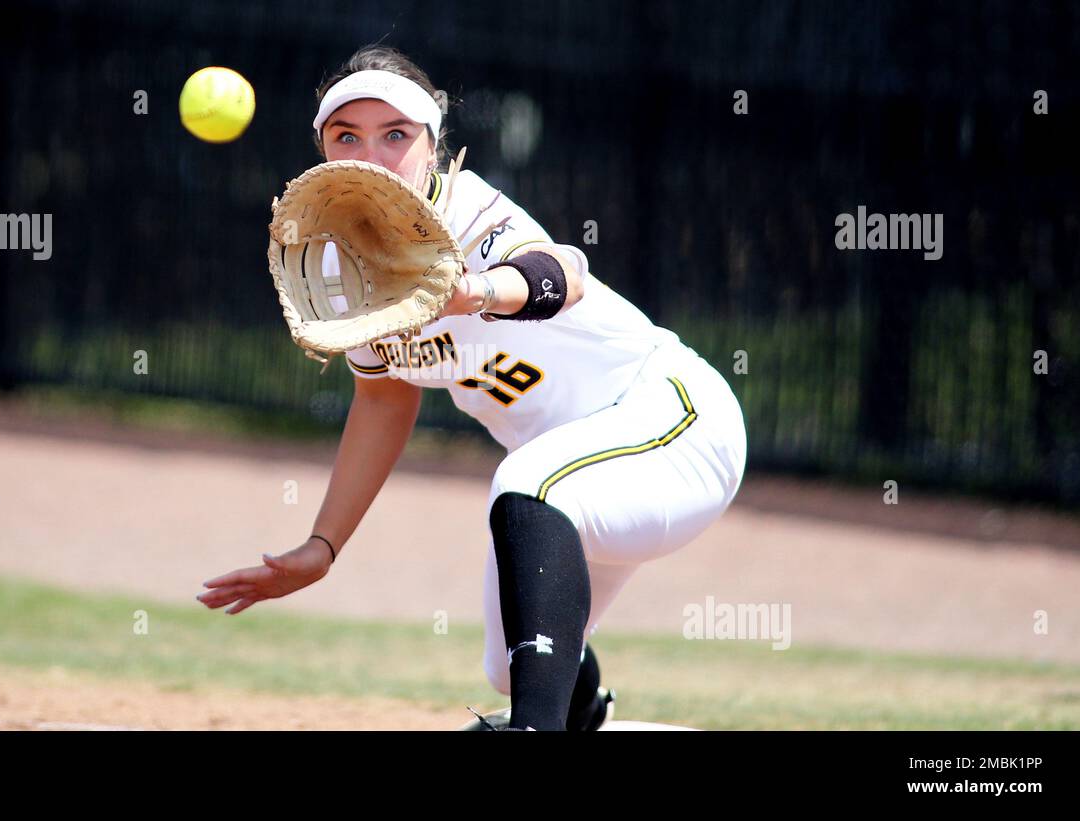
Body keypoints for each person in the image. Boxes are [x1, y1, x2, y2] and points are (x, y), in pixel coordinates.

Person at [197, 45, 747, 731]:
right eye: (347, 136)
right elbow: (385, 397)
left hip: (674, 425)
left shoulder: (466, 211)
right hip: (581, 483)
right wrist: (323, 545)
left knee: (528, 484)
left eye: (396, 135)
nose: (371, 154)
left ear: (433, 148)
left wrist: (477, 291)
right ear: (322, 149)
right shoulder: (343, 264)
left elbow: (562, 275)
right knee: (512, 661)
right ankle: (582, 717)